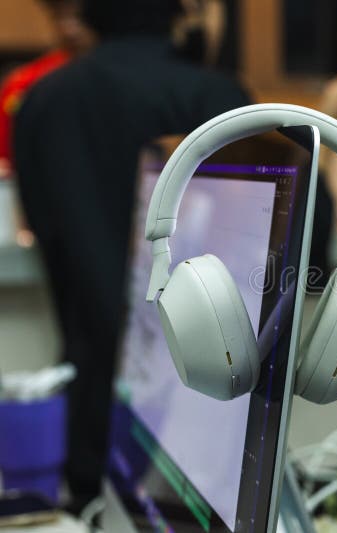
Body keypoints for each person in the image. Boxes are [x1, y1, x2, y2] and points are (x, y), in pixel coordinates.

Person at [13, 0, 250, 509]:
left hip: (87, 422)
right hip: (199, 426)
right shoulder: (215, 95)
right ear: (176, 14)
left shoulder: (41, 101)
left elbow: (43, 231)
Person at [0, 0, 95, 177]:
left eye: (78, 17)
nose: (69, 28)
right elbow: (5, 159)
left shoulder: (117, 79)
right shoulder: (24, 83)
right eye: (59, 16)